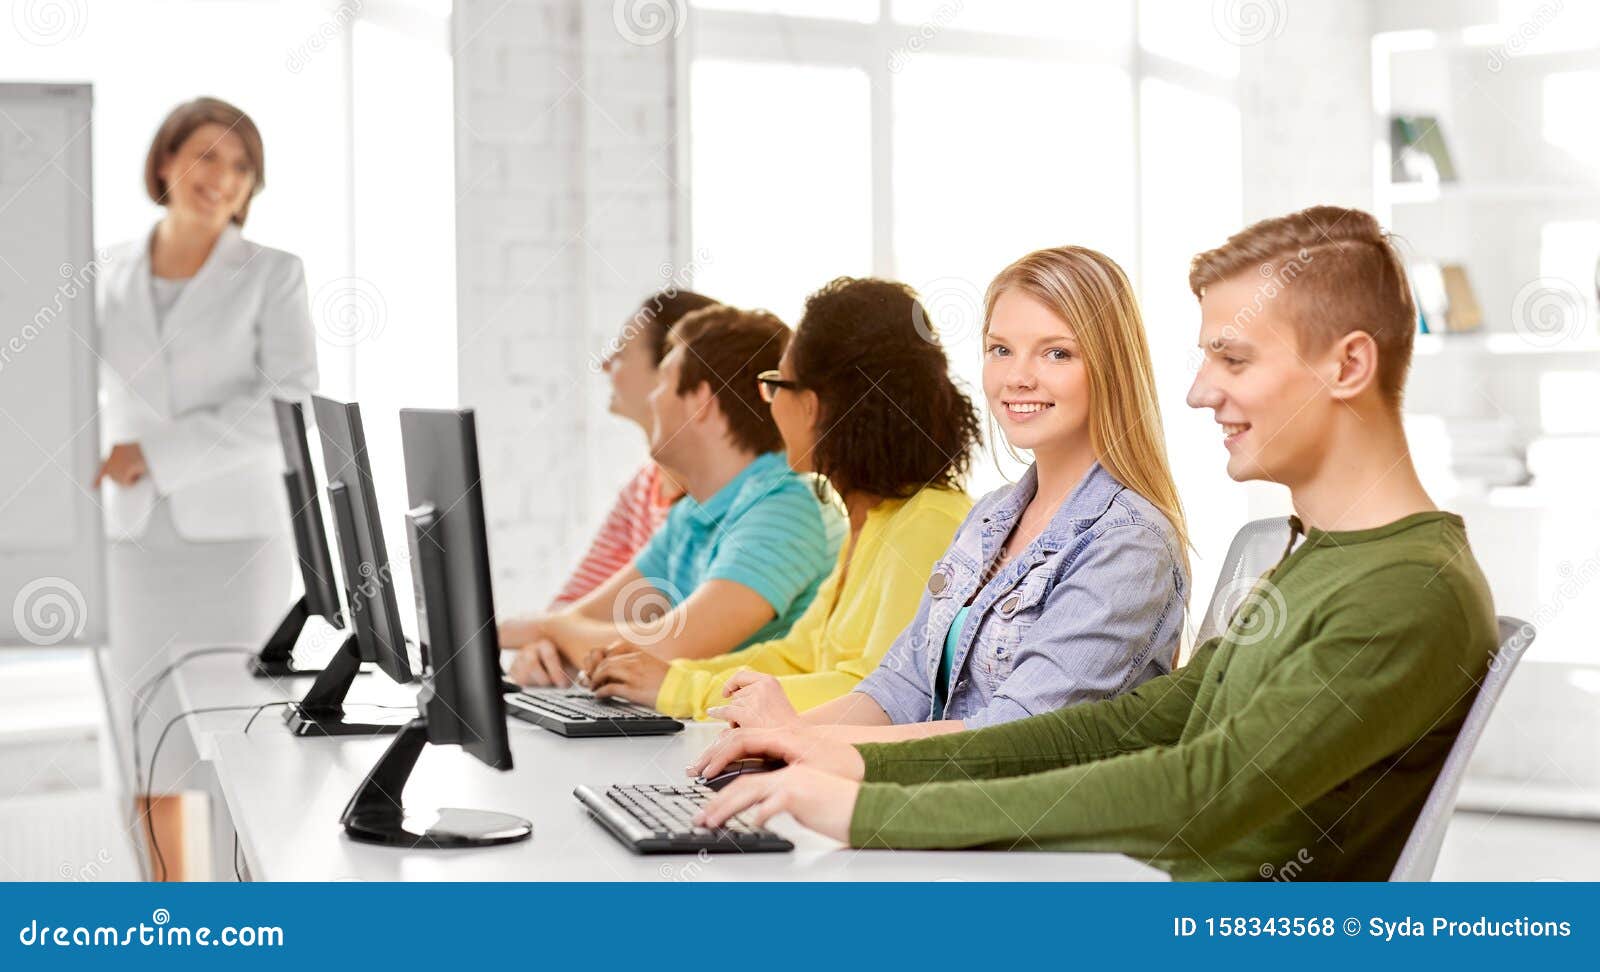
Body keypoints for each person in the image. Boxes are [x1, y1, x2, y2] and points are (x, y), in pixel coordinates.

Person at [689, 206, 1499, 882]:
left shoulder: (1408, 590)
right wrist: (844, 762)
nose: (1198, 390)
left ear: (1349, 365)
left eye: (1234, 359)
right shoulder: (1319, 557)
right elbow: (1119, 730)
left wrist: (865, 806)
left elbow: (1201, 792)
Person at [697, 246, 1189, 738]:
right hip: (929, 795)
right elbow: (901, 686)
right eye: (1001, 350)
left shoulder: (1129, 542)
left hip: (1023, 812)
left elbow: (1010, 735)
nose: (1017, 377)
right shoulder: (994, 516)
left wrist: (799, 740)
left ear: (1109, 368)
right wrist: (768, 738)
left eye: (1056, 353)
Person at [584, 278, 980, 719]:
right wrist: (668, 673)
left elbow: (878, 695)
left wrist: (680, 688)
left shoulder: (928, 524)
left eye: (775, 385)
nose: (768, 405)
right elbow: (797, 657)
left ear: (811, 405)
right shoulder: (873, 522)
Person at [96, 97, 318, 879]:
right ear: (164, 163)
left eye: (238, 164)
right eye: (203, 156)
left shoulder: (270, 274)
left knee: (237, 740)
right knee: (145, 745)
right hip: (130, 540)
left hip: (237, 543)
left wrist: (153, 452)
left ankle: (240, 922)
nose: (219, 177)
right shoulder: (105, 271)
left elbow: (287, 400)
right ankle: (169, 920)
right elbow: (65, 391)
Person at [501, 305, 845, 685]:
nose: (652, 399)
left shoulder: (787, 509)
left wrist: (553, 632)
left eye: (663, 381)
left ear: (700, 400)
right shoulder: (694, 513)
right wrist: (547, 641)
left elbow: (664, 650)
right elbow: (589, 617)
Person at [546, 289, 717, 608]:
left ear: (672, 372)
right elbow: (570, 604)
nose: (604, 364)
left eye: (622, 353)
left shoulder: (719, 497)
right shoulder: (645, 486)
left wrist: (556, 633)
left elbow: (678, 636)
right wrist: (543, 641)